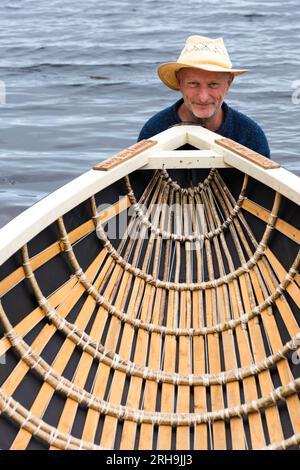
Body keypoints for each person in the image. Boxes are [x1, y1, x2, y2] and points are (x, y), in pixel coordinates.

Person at [138, 35, 270, 158]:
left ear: (229, 83)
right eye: (193, 84)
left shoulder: (249, 135)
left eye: (213, 84)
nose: (203, 98)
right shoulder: (154, 131)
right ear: (179, 82)